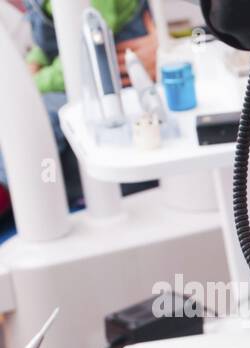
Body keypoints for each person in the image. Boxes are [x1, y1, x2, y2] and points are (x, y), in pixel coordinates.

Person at [0, 1, 158, 207]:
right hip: (68, 75)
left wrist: (30, 83)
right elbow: (47, 37)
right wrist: (34, 62)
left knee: (32, 122)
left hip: (105, 77)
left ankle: (43, 204)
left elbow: (85, 48)